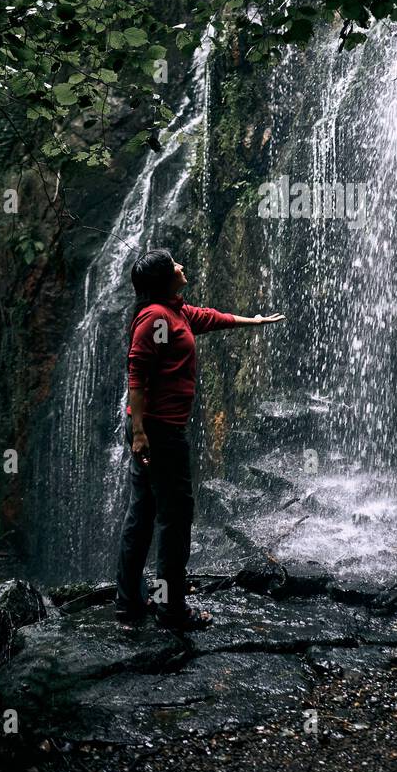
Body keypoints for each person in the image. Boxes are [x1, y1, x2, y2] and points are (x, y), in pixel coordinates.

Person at [115, 247, 284, 632]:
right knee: (174, 520)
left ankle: (129, 605)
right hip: (157, 431)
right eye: (174, 264)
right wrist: (140, 433)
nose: (181, 265)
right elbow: (137, 375)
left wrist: (252, 322)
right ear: (163, 279)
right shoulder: (156, 318)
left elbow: (207, 318)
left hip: (154, 429)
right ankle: (170, 609)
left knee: (142, 514)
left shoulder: (172, 311)